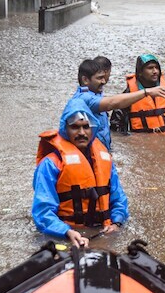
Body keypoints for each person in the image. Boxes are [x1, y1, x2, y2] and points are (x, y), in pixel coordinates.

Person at [32, 99, 129, 248]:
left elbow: (119, 199)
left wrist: (116, 222)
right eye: (75, 127)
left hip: (103, 231)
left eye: (86, 127)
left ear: (93, 129)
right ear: (65, 129)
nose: (82, 133)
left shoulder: (105, 159)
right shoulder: (50, 164)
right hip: (65, 234)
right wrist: (66, 232)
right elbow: (43, 211)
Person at [71, 57, 165, 150]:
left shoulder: (95, 94)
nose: (104, 82)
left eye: (104, 77)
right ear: (85, 80)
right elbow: (112, 103)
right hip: (93, 154)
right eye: (99, 78)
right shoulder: (84, 99)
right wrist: (146, 92)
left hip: (102, 151)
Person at [110, 54, 165, 134]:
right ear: (140, 72)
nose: (155, 71)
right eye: (150, 68)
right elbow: (116, 124)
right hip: (142, 143)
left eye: (157, 68)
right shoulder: (130, 94)